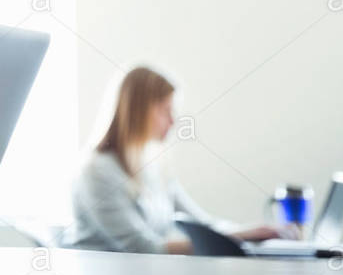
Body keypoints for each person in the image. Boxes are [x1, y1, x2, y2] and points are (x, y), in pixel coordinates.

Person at [62, 66, 296, 254]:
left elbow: (203, 224)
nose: (173, 122)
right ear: (138, 111)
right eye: (166, 111)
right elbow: (143, 248)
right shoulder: (97, 170)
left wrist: (254, 232)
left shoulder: (154, 168)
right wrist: (238, 238)